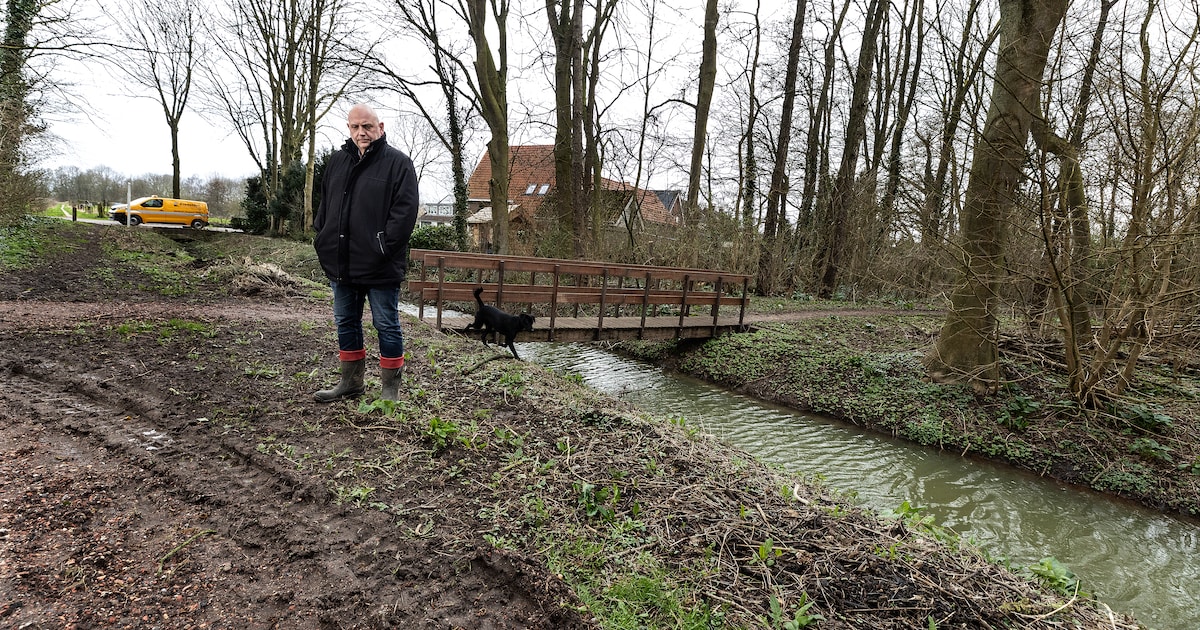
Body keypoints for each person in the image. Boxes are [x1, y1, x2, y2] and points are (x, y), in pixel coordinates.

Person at [312, 103, 420, 402]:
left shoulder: (399, 164)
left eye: (368, 127)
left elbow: (405, 213)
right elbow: (324, 204)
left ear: (380, 128)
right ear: (349, 128)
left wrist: (382, 247)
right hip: (342, 261)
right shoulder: (337, 162)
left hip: (380, 264)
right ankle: (351, 382)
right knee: (345, 321)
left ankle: (389, 389)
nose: (362, 132)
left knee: (386, 323)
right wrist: (322, 236)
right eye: (355, 127)